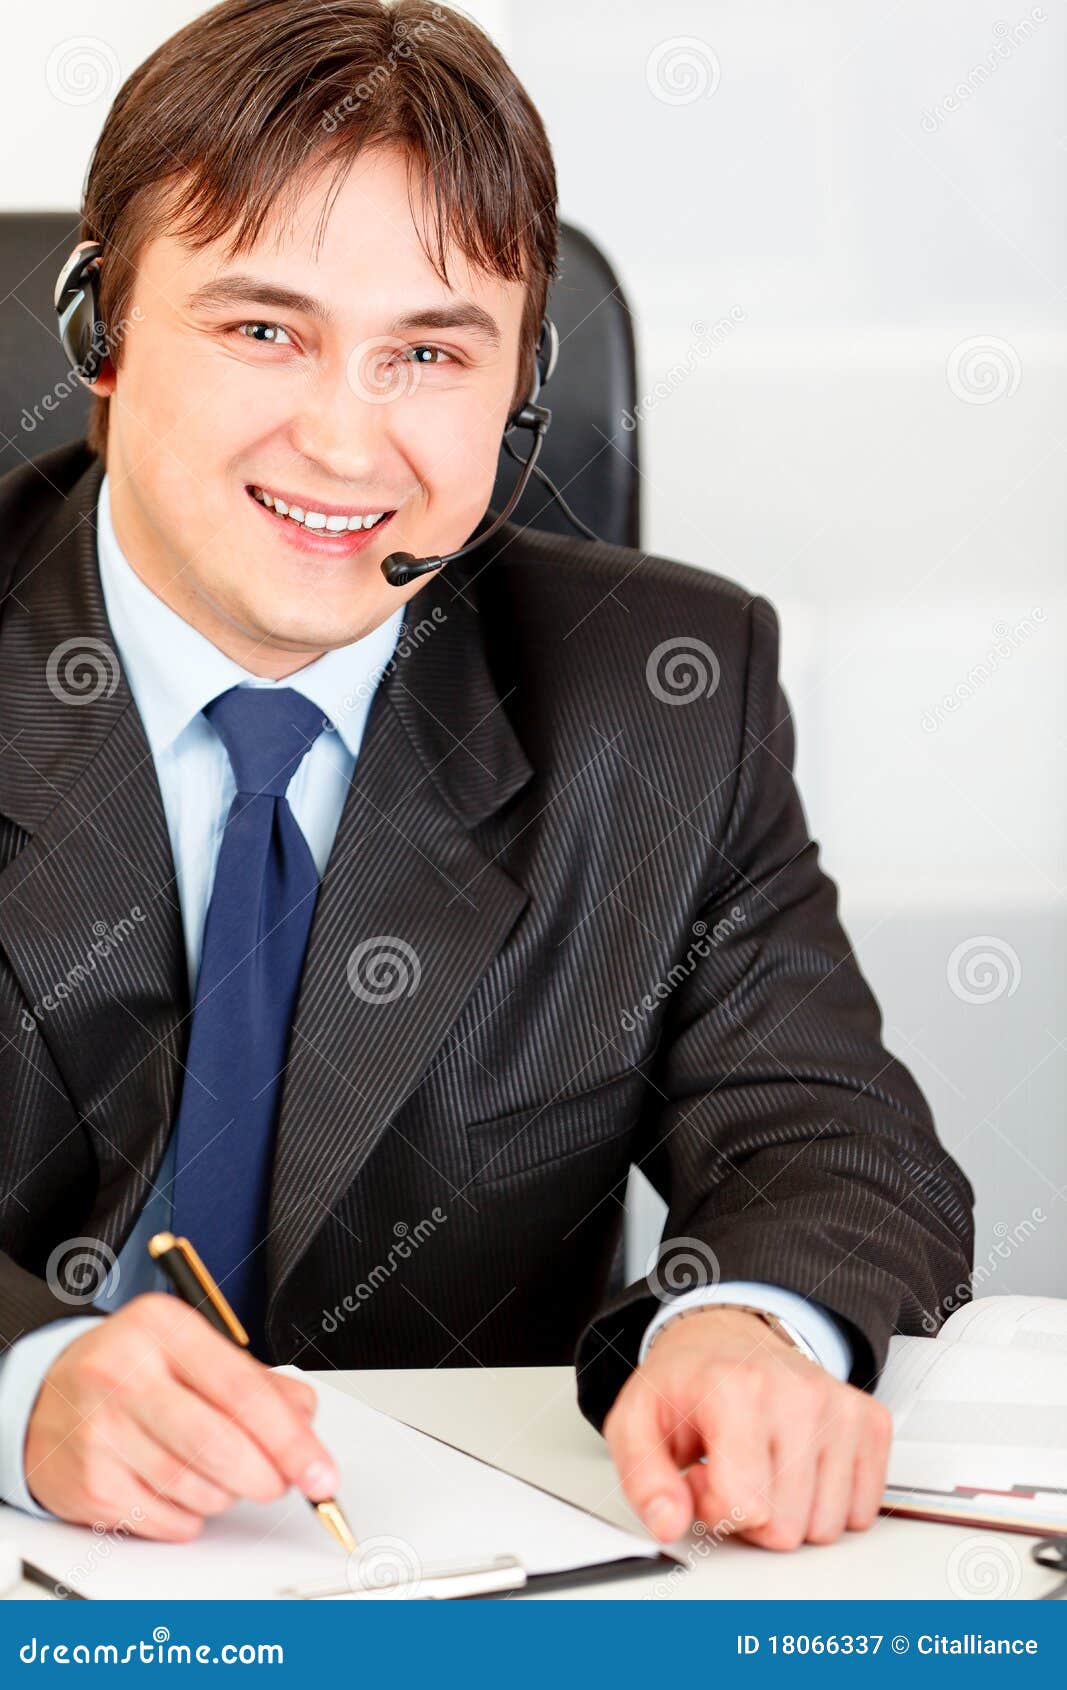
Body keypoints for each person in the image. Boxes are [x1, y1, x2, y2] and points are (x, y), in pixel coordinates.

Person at [0, 0, 973, 1553]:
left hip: (467, 1580)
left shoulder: (660, 694)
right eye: (264, 330)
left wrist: (749, 1328)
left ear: (522, 384)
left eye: (430, 353)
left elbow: (833, 1141)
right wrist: (23, 1380)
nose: (345, 441)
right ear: (97, 333)